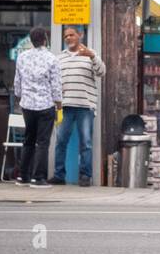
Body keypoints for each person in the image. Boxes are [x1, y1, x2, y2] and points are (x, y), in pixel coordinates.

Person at [53, 26, 106, 187]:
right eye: (66, 36)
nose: (68, 38)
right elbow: (55, 81)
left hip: (85, 106)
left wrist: (92, 57)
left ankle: (85, 176)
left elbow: (102, 72)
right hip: (65, 106)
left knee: (86, 143)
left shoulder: (90, 54)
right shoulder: (59, 58)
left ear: (80, 35)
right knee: (61, 141)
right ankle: (59, 176)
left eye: (72, 35)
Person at [14, 25, 62, 187]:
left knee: (28, 140)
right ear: (44, 39)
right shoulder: (51, 58)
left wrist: (22, 96)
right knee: (42, 142)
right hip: (45, 105)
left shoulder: (22, 57)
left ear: (31, 40)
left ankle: (23, 176)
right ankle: (38, 177)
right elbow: (55, 85)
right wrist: (59, 104)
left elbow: (17, 83)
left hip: (27, 105)